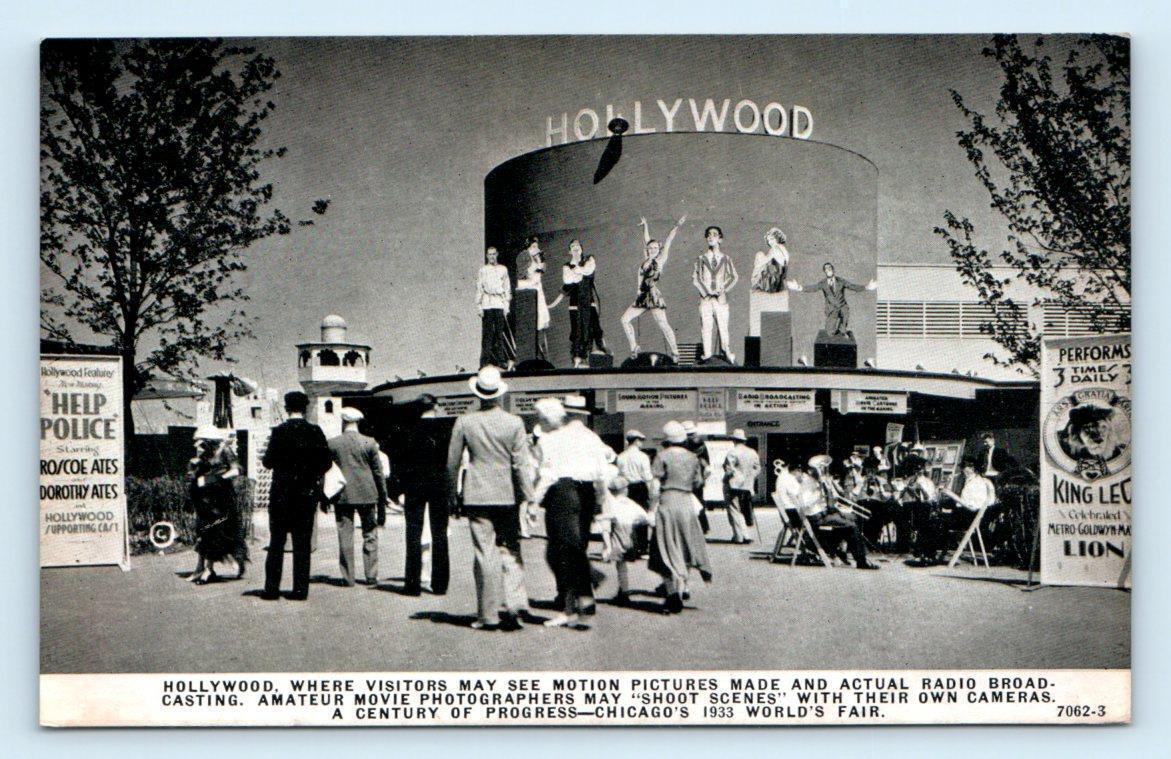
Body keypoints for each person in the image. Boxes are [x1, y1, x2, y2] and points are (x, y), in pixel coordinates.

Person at [445, 366, 534, 631]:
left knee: (485, 554)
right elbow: (521, 464)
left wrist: (453, 492)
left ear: (479, 394)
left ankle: (488, 615)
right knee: (511, 550)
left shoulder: (464, 422)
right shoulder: (514, 423)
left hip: (477, 493)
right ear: (498, 393)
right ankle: (516, 605)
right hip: (507, 495)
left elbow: (452, 462)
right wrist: (528, 496)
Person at [531, 396, 611, 627]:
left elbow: (548, 474)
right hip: (587, 495)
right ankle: (574, 602)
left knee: (558, 552)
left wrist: (534, 502)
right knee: (576, 547)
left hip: (562, 493)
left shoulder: (553, 438)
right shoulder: (593, 438)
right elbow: (603, 475)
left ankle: (583, 590)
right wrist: (601, 502)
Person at [261, 391, 333, 601]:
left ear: (286, 408)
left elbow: (267, 462)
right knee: (302, 543)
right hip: (305, 495)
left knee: (277, 542)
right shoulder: (315, 431)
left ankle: (271, 589)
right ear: (306, 408)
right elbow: (326, 463)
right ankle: (300, 589)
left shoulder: (279, 432)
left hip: (281, 495)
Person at [648, 421, 714, 614]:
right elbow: (697, 482)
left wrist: (652, 508)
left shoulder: (661, 456)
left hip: (667, 503)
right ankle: (683, 587)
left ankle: (671, 593)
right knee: (686, 545)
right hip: (686, 503)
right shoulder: (693, 458)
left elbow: (654, 487)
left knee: (664, 548)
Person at [326, 407, 387, 587]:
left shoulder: (333, 443)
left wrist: (325, 498)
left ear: (343, 421)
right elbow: (378, 472)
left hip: (343, 494)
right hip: (368, 493)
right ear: (358, 422)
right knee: (370, 533)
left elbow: (326, 472)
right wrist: (382, 496)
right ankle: (371, 575)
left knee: (345, 534)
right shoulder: (369, 442)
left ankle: (348, 577)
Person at [398, 393, 452, 596]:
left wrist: (401, 488)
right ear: (435, 407)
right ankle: (440, 584)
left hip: (414, 484)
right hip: (439, 484)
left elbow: (401, 462)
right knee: (440, 532)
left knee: (413, 532)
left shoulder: (408, 430)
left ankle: (412, 584)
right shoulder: (446, 429)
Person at [619, 215, 686, 360]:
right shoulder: (645, 259)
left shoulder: (660, 260)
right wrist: (645, 225)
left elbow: (669, 240)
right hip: (642, 295)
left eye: (656, 247)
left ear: (659, 249)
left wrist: (676, 225)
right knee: (624, 319)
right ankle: (634, 347)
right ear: (647, 249)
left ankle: (675, 352)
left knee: (663, 323)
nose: (653, 249)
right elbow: (646, 240)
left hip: (653, 295)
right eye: (650, 247)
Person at [187, 426, 247, 584]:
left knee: (217, 530)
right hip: (207, 496)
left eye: (203, 444)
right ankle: (204, 567)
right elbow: (201, 472)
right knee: (204, 529)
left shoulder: (224, 450)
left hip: (222, 496)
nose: (201, 448)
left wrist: (219, 478)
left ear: (210, 441)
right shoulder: (205, 454)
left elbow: (236, 469)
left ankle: (210, 567)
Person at [804, 455, 878, 570]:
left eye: (824, 468)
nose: (824, 471)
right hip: (817, 517)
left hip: (824, 513)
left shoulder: (817, 481)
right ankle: (861, 560)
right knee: (851, 526)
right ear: (813, 470)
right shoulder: (808, 483)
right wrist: (819, 491)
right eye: (822, 468)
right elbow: (805, 503)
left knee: (852, 518)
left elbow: (831, 501)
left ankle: (842, 551)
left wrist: (828, 488)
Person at [550, 240, 607, 367]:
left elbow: (588, 270)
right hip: (575, 303)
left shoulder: (589, 259)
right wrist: (578, 272)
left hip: (589, 302)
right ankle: (577, 358)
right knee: (576, 330)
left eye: (577, 246)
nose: (575, 248)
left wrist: (577, 270)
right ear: (569, 251)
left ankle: (599, 354)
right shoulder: (566, 266)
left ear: (581, 248)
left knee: (595, 327)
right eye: (572, 246)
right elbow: (568, 281)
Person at [787, 262, 877, 337]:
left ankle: (842, 331)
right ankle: (834, 331)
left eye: (830, 268)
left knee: (845, 318)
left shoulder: (841, 281)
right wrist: (798, 287)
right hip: (831, 309)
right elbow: (812, 288)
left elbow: (852, 286)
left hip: (842, 306)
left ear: (833, 270)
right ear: (825, 272)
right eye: (826, 269)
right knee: (830, 333)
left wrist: (866, 287)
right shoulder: (823, 283)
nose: (828, 270)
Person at [692, 225, 739, 363]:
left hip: (720, 299)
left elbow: (734, 277)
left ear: (720, 239)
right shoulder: (701, 258)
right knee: (706, 326)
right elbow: (696, 278)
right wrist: (706, 292)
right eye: (708, 235)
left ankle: (727, 352)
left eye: (714, 234)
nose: (711, 237)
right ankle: (707, 353)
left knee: (723, 326)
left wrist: (722, 289)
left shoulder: (726, 258)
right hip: (705, 299)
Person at [601, 475, 650, 606]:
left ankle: (624, 592)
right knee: (623, 564)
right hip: (630, 535)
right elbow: (645, 518)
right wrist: (635, 524)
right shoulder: (631, 503)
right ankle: (623, 590)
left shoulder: (610, 504)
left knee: (620, 565)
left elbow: (605, 525)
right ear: (625, 490)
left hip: (617, 533)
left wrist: (607, 545)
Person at [476, 246, 515, 370]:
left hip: (498, 302)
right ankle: (484, 362)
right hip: (487, 303)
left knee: (499, 334)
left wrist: (506, 305)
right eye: (489, 254)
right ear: (487, 256)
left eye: (494, 254)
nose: (492, 256)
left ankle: (501, 361)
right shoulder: (483, 270)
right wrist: (479, 306)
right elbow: (479, 288)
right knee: (487, 335)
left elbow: (507, 287)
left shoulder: (503, 269)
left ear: (497, 254)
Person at [749, 226, 791, 337]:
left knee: (759, 255)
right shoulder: (785, 250)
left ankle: (755, 284)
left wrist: (757, 262)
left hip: (772, 282)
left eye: (771, 239)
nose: (769, 242)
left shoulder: (775, 249)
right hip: (780, 283)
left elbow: (763, 262)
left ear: (777, 238)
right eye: (768, 240)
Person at [515, 236, 552, 360]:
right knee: (531, 321)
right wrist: (535, 269)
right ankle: (531, 353)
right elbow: (523, 275)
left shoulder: (536, 257)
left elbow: (542, 270)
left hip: (537, 290)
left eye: (537, 246)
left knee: (541, 320)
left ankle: (540, 353)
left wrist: (540, 262)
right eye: (533, 246)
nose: (536, 248)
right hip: (528, 291)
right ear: (528, 247)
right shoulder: (523, 256)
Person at [722, 429, 761, 544]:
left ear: (734, 440)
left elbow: (729, 470)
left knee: (734, 510)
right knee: (745, 510)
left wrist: (725, 479)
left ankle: (739, 536)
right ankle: (746, 535)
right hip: (747, 485)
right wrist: (750, 477)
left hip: (733, 485)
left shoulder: (732, 452)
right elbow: (757, 468)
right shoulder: (752, 452)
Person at [682, 421, 712, 534]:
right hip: (699, 479)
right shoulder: (702, 445)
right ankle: (704, 527)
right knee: (699, 502)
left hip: (687, 478)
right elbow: (707, 465)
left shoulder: (685, 444)